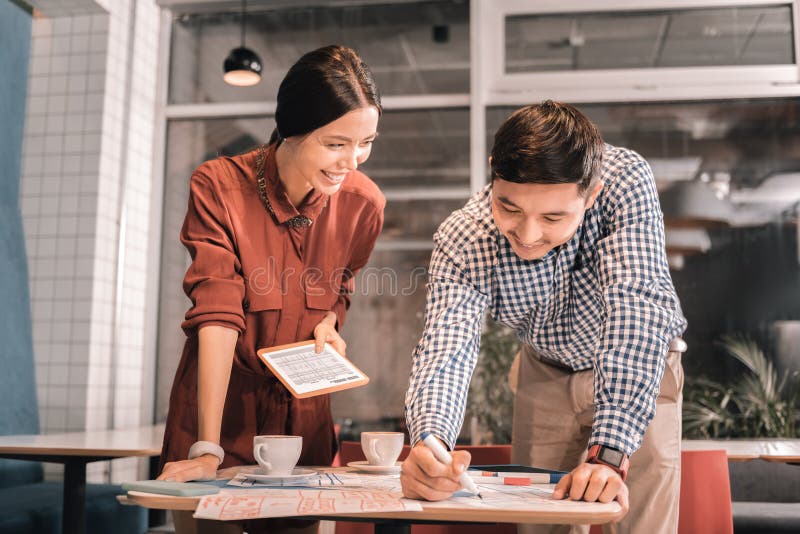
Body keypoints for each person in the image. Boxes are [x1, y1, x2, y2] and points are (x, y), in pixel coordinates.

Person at [401, 101, 687, 534]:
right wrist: (431, 441)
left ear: (590, 195)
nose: (527, 235)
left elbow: (636, 310)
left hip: (640, 364)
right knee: (539, 522)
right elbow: (447, 348)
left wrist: (609, 453)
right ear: (494, 170)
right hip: (545, 370)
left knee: (637, 523)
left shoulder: (624, 182)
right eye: (509, 208)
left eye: (553, 216)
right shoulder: (465, 237)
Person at [157, 45, 385, 533]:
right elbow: (216, 313)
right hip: (220, 410)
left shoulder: (364, 204)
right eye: (336, 143)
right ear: (291, 128)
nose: (352, 162)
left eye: (366, 141)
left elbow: (340, 284)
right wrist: (207, 448)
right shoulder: (219, 186)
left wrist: (329, 323)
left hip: (303, 422)